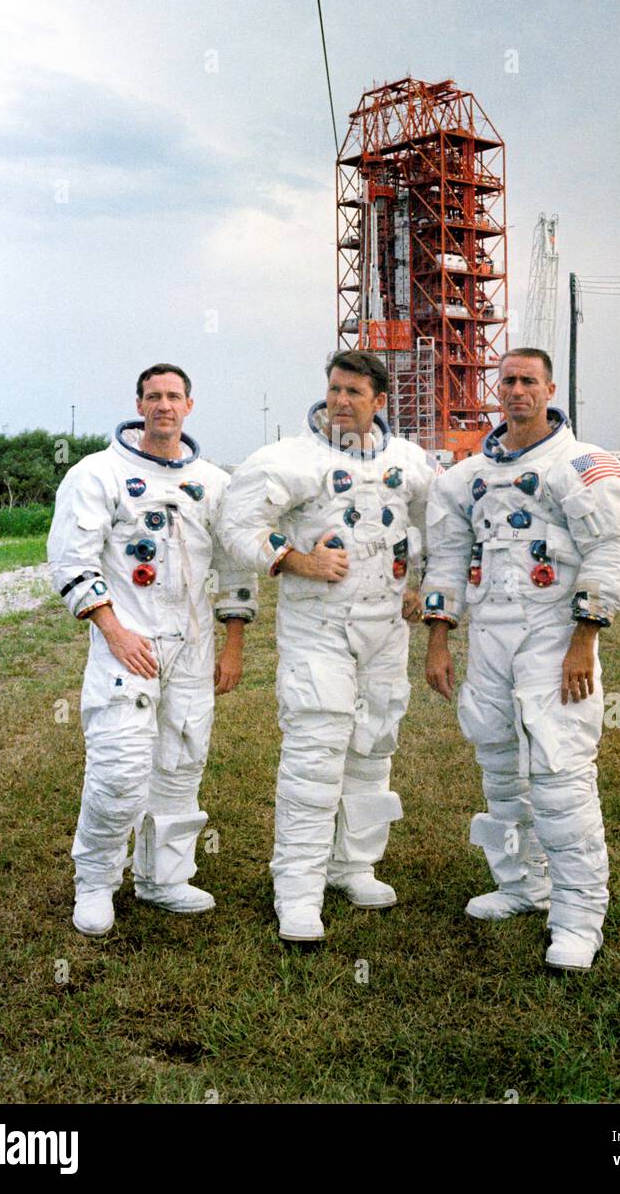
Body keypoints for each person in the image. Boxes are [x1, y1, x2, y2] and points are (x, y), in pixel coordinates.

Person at [423, 348, 620, 971]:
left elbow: (611, 551)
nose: (516, 390)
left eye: (528, 381)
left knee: (558, 771)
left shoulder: (581, 465)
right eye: (508, 381)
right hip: (491, 634)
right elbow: (446, 558)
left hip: (553, 635)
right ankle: (521, 883)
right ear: (498, 389)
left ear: (548, 389)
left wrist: (584, 640)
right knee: (497, 765)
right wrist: (438, 639)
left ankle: (577, 919)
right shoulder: (464, 479)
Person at [220, 350, 435, 943]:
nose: (341, 400)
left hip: (385, 629)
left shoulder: (409, 462)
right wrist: (297, 560)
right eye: (335, 388)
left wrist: (422, 585)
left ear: (379, 401)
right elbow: (236, 525)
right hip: (319, 628)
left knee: (373, 746)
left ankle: (354, 865)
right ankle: (298, 892)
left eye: (354, 392)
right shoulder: (290, 460)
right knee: (316, 754)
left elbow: (441, 526)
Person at [48, 364, 257, 937]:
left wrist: (233, 645)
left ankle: (163, 877)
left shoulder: (213, 483)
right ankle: (95, 882)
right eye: (153, 396)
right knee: (119, 771)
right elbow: (71, 560)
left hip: (192, 647)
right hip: (127, 644)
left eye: (173, 396)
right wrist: (113, 631)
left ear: (189, 404)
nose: (164, 405)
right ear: (139, 405)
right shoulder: (99, 473)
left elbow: (236, 567)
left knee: (180, 766)